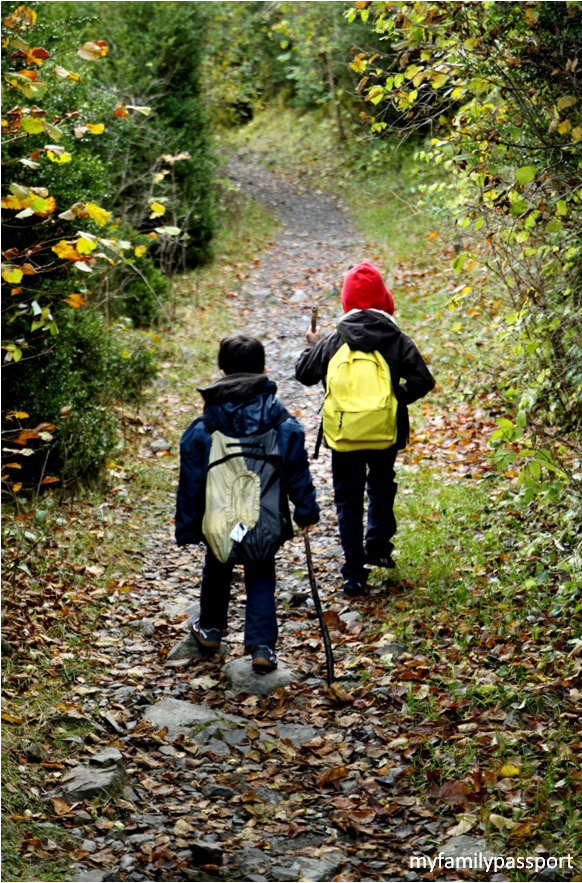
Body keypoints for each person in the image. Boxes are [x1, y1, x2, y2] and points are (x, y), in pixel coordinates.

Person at [176, 333, 320, 673]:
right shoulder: (282, 423)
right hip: (264, 519)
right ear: (264, 370)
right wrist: (306, 510)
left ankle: (210, 629)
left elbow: (191, 480)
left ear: (222, 372)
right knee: (260, 572)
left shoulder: (204, 426)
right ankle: (262, 647)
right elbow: (297, 471)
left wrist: (188, 526)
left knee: (217, 563)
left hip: (218, 519)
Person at [295, 261, 435, 597]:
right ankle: (378, 546)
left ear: (346, 302)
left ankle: (353, 572)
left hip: (344, 435)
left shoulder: (333, 340)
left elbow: (303, 373)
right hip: (385, 431)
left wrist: (313, 345)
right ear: (384, 299)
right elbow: (422, 380)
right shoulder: (397, 340)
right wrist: (394, 399)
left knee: (347, 498)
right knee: (382, 485)